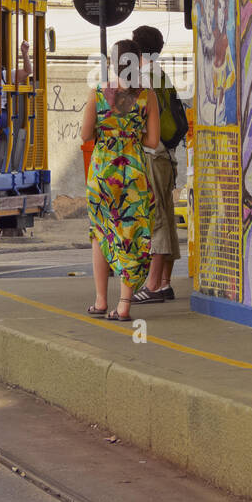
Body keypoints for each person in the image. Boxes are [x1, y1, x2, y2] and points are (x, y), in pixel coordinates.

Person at [82, 38, 159, 322]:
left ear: (112, 63)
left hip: (103, 173)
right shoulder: (147, 96)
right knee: (132, 237)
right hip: (133, 175)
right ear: (138, 62)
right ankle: (124, 306)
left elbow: (85, 135)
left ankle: (101, 301)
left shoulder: (99, 93)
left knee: (100, 234)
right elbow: (152, 141)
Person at [131, 25, 181, 303]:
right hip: (167, 156)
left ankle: (152, 286)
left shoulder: (143, 78)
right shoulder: (161, 74)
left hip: (152, 155)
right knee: (167, 217)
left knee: (156, 218)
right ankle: (164, 282)